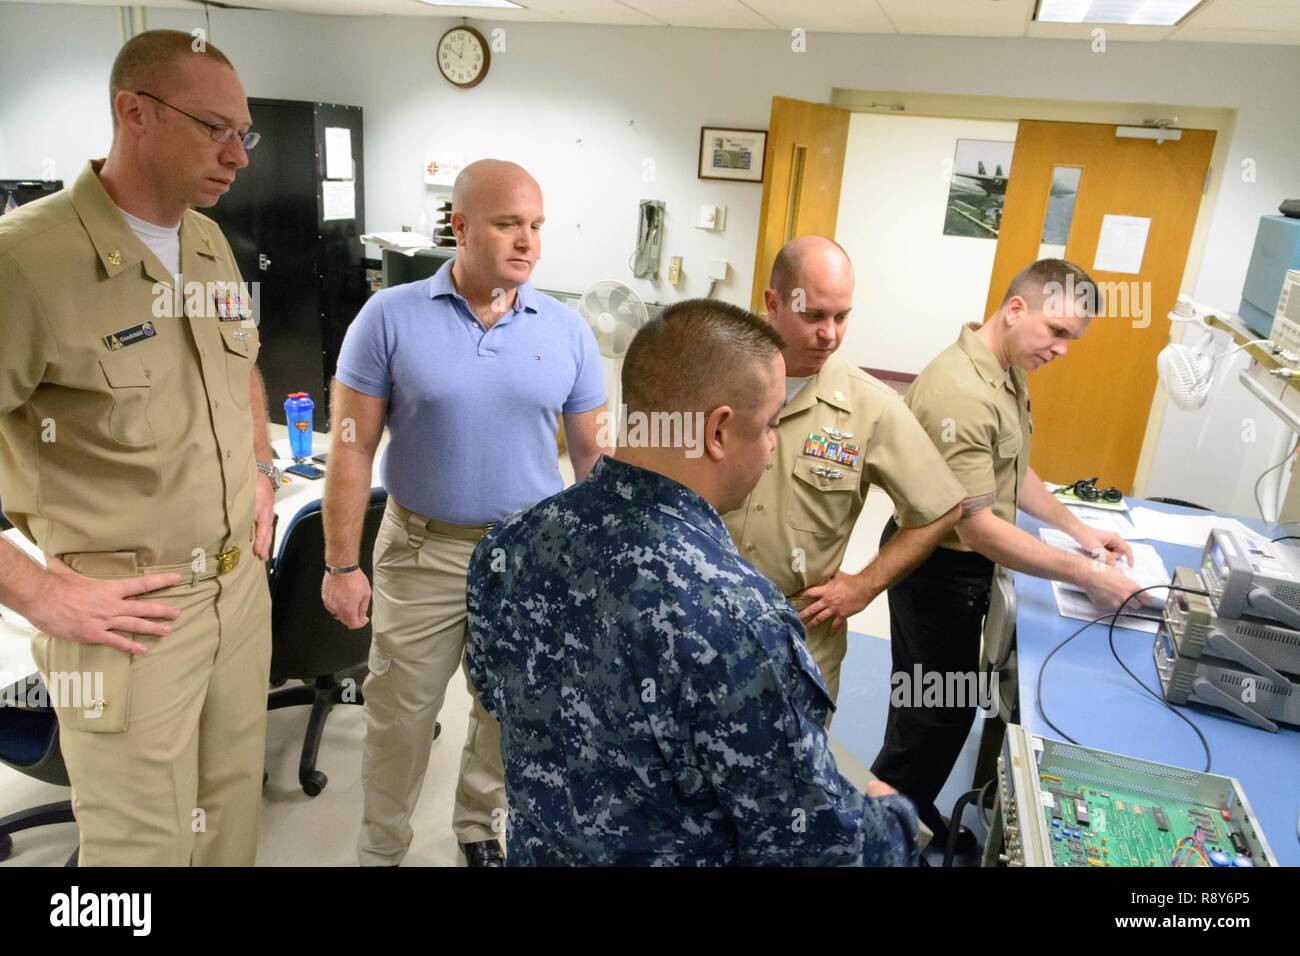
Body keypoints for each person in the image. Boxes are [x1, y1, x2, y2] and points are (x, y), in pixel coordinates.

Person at [465, 298, 918, 866]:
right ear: (719, 432)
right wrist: (895, 817)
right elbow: (814, 846)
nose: (775, 442)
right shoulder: (739, 618)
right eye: (772, 423)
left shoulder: (508, 546)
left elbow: (496, 694)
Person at [0, 30, 275, 865]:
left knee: (230, 823)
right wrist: (40, 593)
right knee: (139, 856)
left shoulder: (206, 241)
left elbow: (244, 370)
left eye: (245, 134)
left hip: (237, 596)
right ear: (135, 114)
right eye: (215, 129)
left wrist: (260, 471)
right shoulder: (26, 259)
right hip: (129, 620)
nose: (239, 155)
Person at [321, 159, 608, 867]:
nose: (528, 242)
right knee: (400, 719)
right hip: (421, 552)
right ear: (461, 227)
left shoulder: (567, 330)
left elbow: (593, 461)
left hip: (529, 558)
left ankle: (480, 827)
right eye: (510, 224)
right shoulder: (388, 317)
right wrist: (340, 562)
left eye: (536, 225)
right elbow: (352, 449)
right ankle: (381, 849)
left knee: (505, 711)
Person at [871, 258, 1144, 844]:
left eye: (1072, 338)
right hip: (935, 567)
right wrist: (1086, 576)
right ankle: (877, 835)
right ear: (1016, 310)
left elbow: (1011, 474)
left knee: (941, 708)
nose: (1064, 350)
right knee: (932, 715)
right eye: (1058, 332)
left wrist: (1080, 531)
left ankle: (909, 813)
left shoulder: (1004, 367)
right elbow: (977, 528)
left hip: (960, 567)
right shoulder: (960, 393)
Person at [723, 236, 964, 706]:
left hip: (798, 638)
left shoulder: (869, 406)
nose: (829, 333)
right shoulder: (717, 381)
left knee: (794, 775)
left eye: (842, 316)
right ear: (774, 303)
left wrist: (864, 586)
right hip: (700, 623)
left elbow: (941, 507)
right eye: (813, 315)